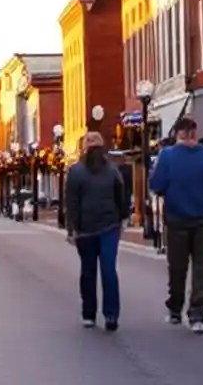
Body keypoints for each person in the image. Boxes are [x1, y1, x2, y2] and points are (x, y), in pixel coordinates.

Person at [148, 117, 203, 334]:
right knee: (201, 266)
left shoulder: (167, 156)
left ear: (179, 134)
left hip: (176, 218)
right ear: (194, 132)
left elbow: (156, 185)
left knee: (177, 265)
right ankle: (198, 314)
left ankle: (175, 307)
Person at [65, 131, 130, 331]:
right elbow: (121, 195)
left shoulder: (75, 171)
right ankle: (111, 314)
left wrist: (71, 229)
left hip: (87, 229)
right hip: (109, 227)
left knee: (89, 271)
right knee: (108, 269)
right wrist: (123, 218)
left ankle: (89, 314)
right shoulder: (112, 170)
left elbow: (71, 203)